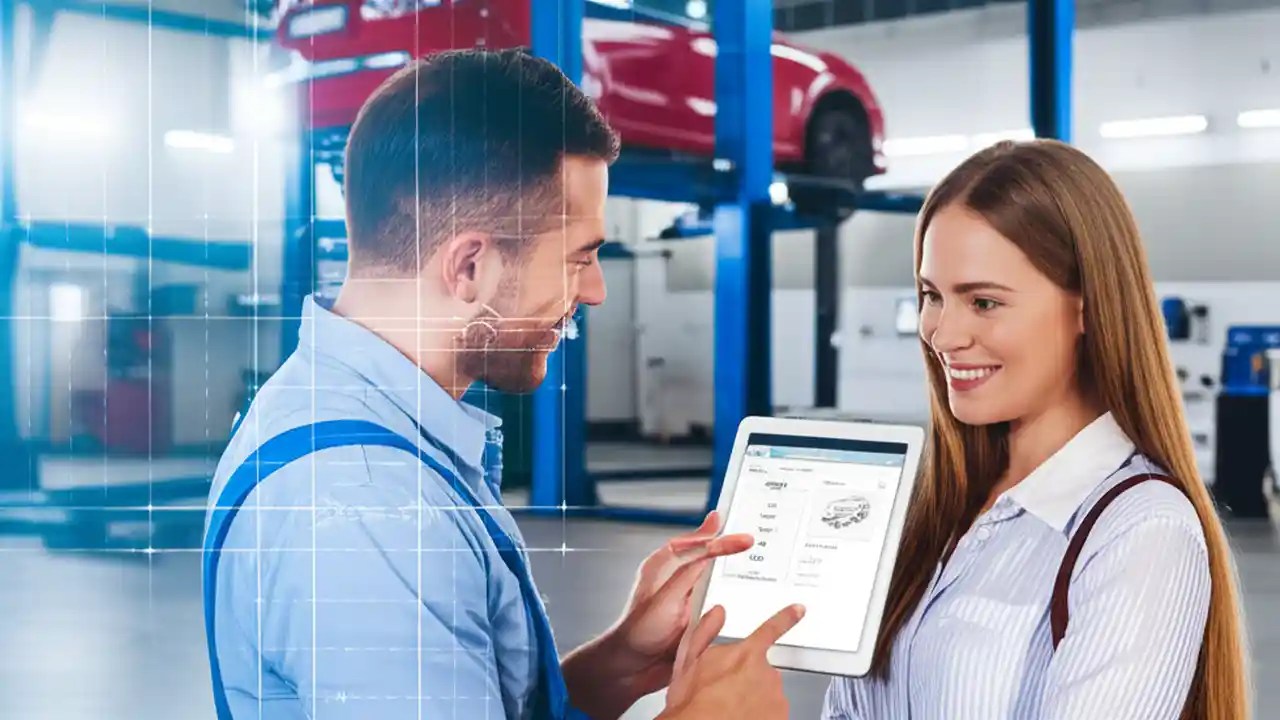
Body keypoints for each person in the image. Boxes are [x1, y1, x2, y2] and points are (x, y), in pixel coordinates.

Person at [203, 49, 801, 720]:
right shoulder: (371, 508)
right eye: (579, 257)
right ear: (469, 269)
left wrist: (621, 664)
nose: (596, 291)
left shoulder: (338, 413)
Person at [823, 140, 1251, 720]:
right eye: (932, 296)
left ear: (1086, 307)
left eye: (984, 302)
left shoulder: (1142, 533)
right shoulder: (939, 511)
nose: (943, 335)